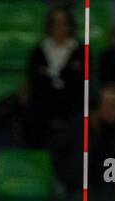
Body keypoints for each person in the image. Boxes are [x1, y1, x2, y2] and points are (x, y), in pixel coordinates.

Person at [26, 6, 84, 147]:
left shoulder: (81, 51)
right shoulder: (38, 50)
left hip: (72, 102)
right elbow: (36, 80)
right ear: (49, 26)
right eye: (55, 23)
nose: (60, 27)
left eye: (64, 23)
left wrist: (50, 74)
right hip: (43, 101)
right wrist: (66, 74)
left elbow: (79, 83)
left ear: (70, 26)